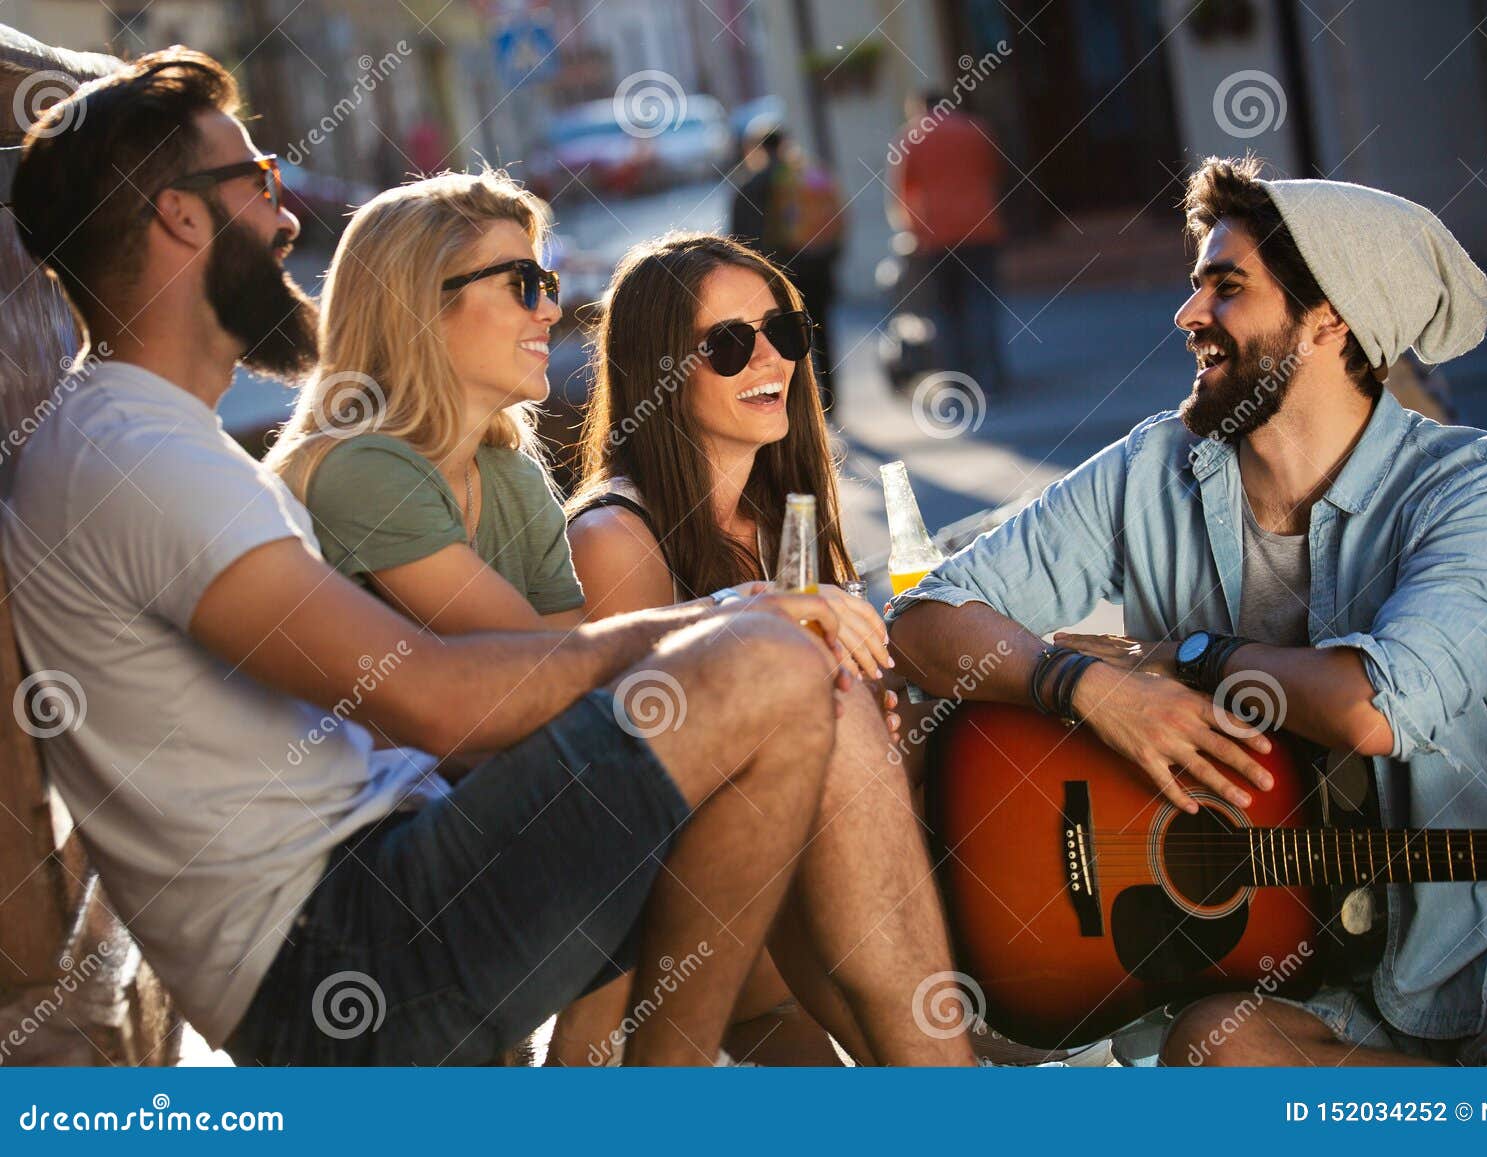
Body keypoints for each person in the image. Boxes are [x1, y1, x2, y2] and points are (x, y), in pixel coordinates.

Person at [2, 46, 977, 1068]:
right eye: (258, 179)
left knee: (797, 677)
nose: (287, 218)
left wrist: (733, 634)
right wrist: (719, 623)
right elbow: (433, 696)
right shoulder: (132, 455)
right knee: (773, 662)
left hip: (393, 877)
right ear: (179, 215)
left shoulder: (152, 440)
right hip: (339, 948)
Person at [887, 155, 1487, 1066]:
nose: (1187, 314)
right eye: (1198, 285)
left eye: (1227, 287)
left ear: (1331, 316)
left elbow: (1375, 707)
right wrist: (1092, 689)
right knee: (1214, 1047)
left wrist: (1181, 658)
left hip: (1486, 936)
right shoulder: (1149, 471)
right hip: (1286, 983)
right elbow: (925, 619)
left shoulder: (1473, 484)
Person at [557, 231, 906, 1064]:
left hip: (784, 947)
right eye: (727, 344)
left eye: (782, 331)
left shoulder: (780, 519)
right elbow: (630, 803)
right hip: (673, 968)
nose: (769, 359)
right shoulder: (614, 535)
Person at [263, 170, 584, 635]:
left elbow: (575, 660)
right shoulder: (360, 468)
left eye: (547, 284)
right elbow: (533, 658)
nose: (551, 310)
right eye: (523, 283)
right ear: (420, 305)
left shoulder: (514, 478)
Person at [886, 91, 1008, 393]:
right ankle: (991, 374)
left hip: (936, 237)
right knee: (981, 302)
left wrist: (910, 230)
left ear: (919, 108)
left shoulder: (912, 135)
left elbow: (903, 193)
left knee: (945, 310)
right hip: (981, 227)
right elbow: (993, 172)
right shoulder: (975, 129)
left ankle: (959, 377)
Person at [728, 122, 842, 410]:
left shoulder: (749, 187)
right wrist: (828, 259)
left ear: (756, 150)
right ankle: (831, 401)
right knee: (822, 336)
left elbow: (737, 245)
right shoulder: (808, 179)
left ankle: (799, 406)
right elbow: (834, 222)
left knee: (785, 346)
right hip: (816, 272)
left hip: (776, 281)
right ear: (784, 146)